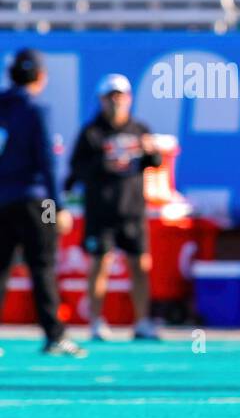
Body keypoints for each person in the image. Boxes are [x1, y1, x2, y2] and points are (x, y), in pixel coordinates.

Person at [0, 49, 85, 357]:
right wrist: (58, 206)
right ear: (40, 77)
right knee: (43, 265)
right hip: (38, 203)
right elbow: (48, 163)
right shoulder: (37, 110)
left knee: (1, 268)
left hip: (2, 202)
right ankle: (54, 334)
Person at [66, 74, 163, 341]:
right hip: (102, 211)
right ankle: (96, 320)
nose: (116, 102)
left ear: (129, 99)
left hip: (132, 209)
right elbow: (75, 170)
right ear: (101, 100)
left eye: (120, 96)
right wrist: (103, 161)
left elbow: (154, 161)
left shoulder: (139, 129)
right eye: (111, 97)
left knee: (140, 265)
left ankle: (142, 321)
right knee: (100, 264)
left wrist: (149, 150)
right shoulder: (91, 133)